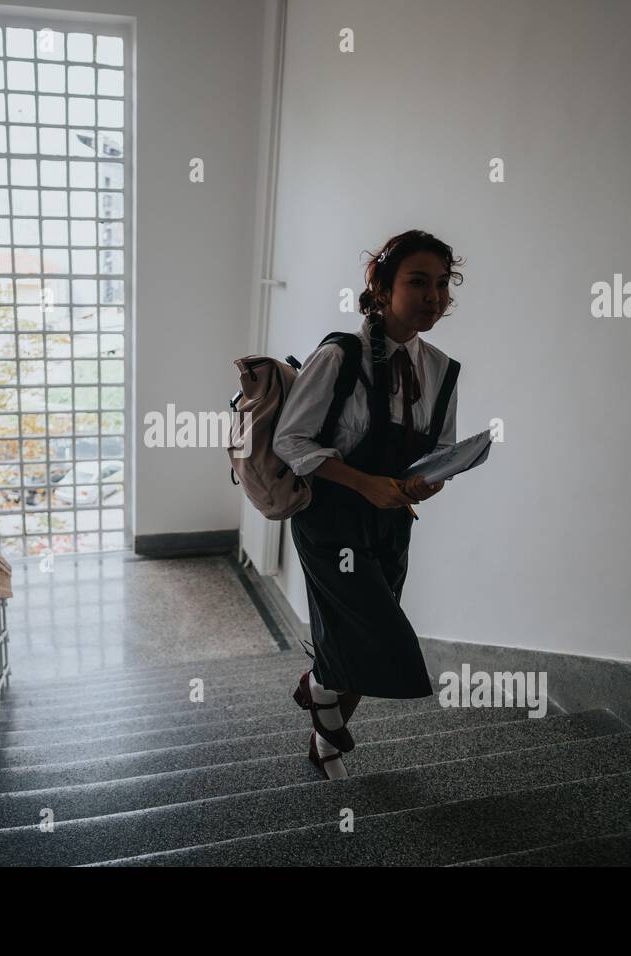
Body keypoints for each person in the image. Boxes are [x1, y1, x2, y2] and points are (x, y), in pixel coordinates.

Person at [272, 229, 464, 779]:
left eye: (442, 285)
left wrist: (431, 480)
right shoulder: (340, 356)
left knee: (358, 641)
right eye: (418, 282)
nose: (433, 296)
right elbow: (292, 441)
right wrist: (364, 483)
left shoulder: (442, 370)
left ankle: (322, 736)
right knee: (381, 638)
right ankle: (322, 699)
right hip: (332, 518)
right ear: (381, 287)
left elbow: (444, 449)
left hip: (392, 522)